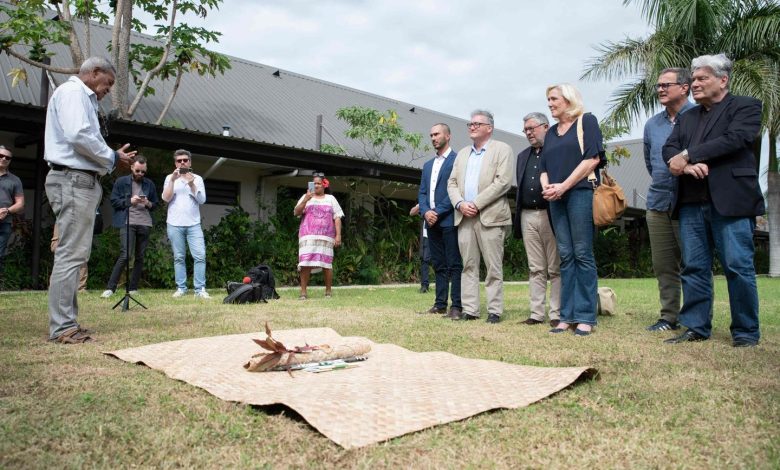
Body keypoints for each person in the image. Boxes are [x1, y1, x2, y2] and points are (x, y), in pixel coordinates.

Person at [662, 54, 763, 347]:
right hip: (691, 202)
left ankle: (745, 332)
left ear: (723, 80)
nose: (694, 84)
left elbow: (735, 139)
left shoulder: (745, 106)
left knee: (738, 266)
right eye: (692, 79)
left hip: (731, 202)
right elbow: (670, 149)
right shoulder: (687, 117)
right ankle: (695, 326)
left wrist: (688, 155)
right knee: (694, 267)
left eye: (701, 78)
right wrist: (686, 164)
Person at [45, 56, 135, 344]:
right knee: (71, 254)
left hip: (80, 180)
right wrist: (112, 156)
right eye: (107, 82)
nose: (108, 89)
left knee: (75, 254)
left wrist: (109, 158)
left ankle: (67, 322)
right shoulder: (73, 93)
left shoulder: (83, 97)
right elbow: (78, 134)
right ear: (93, 72)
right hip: (73, 179)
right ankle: (62, 327)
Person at [540, 84, 603, 336]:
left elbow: (593, 159)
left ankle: (586, 316)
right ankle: (566, 316)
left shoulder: (586, 121)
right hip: (556, 197)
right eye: (548, 100)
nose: (550, 103)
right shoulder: (552, 132)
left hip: (578, 194)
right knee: (565, 256)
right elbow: (543, 166)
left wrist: (564, 186)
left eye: (553, 99)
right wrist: (548, 188)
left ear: (568, 99)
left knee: (582, 254)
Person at [447, 110, 513, 324]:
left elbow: (503, 182)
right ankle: (471, 309)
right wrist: (460, 203)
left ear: (489, 128)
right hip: (464, 217)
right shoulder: (463, 153)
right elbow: (452, 183)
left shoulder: (502, 149)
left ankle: (494, 310)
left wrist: (475, 203)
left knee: (493, 266)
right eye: (470, 124)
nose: (472, 127)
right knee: (468, 265)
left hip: (491, 217)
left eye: (477, 123)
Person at [643, 68, 695, 332]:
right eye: (658, 85)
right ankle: (668, 317)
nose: (661, 89)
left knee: (693, 264)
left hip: (690, 202)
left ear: (684, 87)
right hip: (657, 203)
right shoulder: (653, 125)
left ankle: (694, 319)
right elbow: (651, 163)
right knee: (663, 265)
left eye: (666, 84)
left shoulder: (699, 117)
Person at [513, 113, 560, 327]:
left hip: (550, 213)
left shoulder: (556, 151)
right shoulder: (523, 156)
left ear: (546, 127)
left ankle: (557, 314)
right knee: (535, 267)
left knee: (555, 267)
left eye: (532, 128)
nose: (529, 133)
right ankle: (536, 313)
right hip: (527, 215)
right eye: (526, 130)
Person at [418, 123, 462, 318]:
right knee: (438, 264)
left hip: (449, 220)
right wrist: (426, 212)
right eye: (431, 135)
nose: (433, 138)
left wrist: (436, 211)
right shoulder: (428, 165)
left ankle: (457, 305)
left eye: (436, 134)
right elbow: (422, 192)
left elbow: (456, 190)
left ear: (448, 136)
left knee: (454, 264)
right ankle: (440, 304)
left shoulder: (458, 160)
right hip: (431, 222)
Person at [101, 156, 158, 297]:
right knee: (125, 255)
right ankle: (110, 288)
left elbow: (155, 204)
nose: (140, 174)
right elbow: (114, 201)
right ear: (132, 167)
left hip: (145, 222)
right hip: (127, 222)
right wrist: (130, 201)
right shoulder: (121, 182)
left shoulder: (149, 184)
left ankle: (133, 288)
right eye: (138, 170)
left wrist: (148, 203)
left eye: (143, 172)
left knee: (140, 257)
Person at [162, 149, 209, 298]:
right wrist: (173, 180)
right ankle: (181, 288)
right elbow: (166, 198)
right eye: (179, 160)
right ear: (175, 163)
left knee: (200, 256)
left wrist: (191, 184)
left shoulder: (198, 178)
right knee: (179, 257)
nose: (182, 162)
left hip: (194, 224)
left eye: (185, 160)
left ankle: (200, 289)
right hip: (174, 223)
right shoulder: (170, 177)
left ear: (190, 162)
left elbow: (202, 200)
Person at [294, 175, 344, 299]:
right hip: (308, 236)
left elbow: (337, 217)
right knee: (305, 263)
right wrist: (306, 199)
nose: (316, 185)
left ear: (324, 185)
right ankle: (303, 293)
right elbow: (296, 212)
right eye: (314, 183)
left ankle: (328, 292)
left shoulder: (331, 198)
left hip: (326, 237)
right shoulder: (306, 197)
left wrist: (338, 235)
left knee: (326, 264)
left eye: (319, 183)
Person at [0, 145, 24, 284]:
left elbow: (20, 203)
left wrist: (7, 211)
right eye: (1, 156)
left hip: (4, 222)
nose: (4, 159)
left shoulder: (15, 180)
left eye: (7, 157)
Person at [409, 203, 431, 293]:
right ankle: (424, 285)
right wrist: (420, 205)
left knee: (441, 260)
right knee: (424, 259)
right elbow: (411, 212)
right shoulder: (425, 201)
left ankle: (443, 284)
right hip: (426, 235)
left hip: (439, 234)